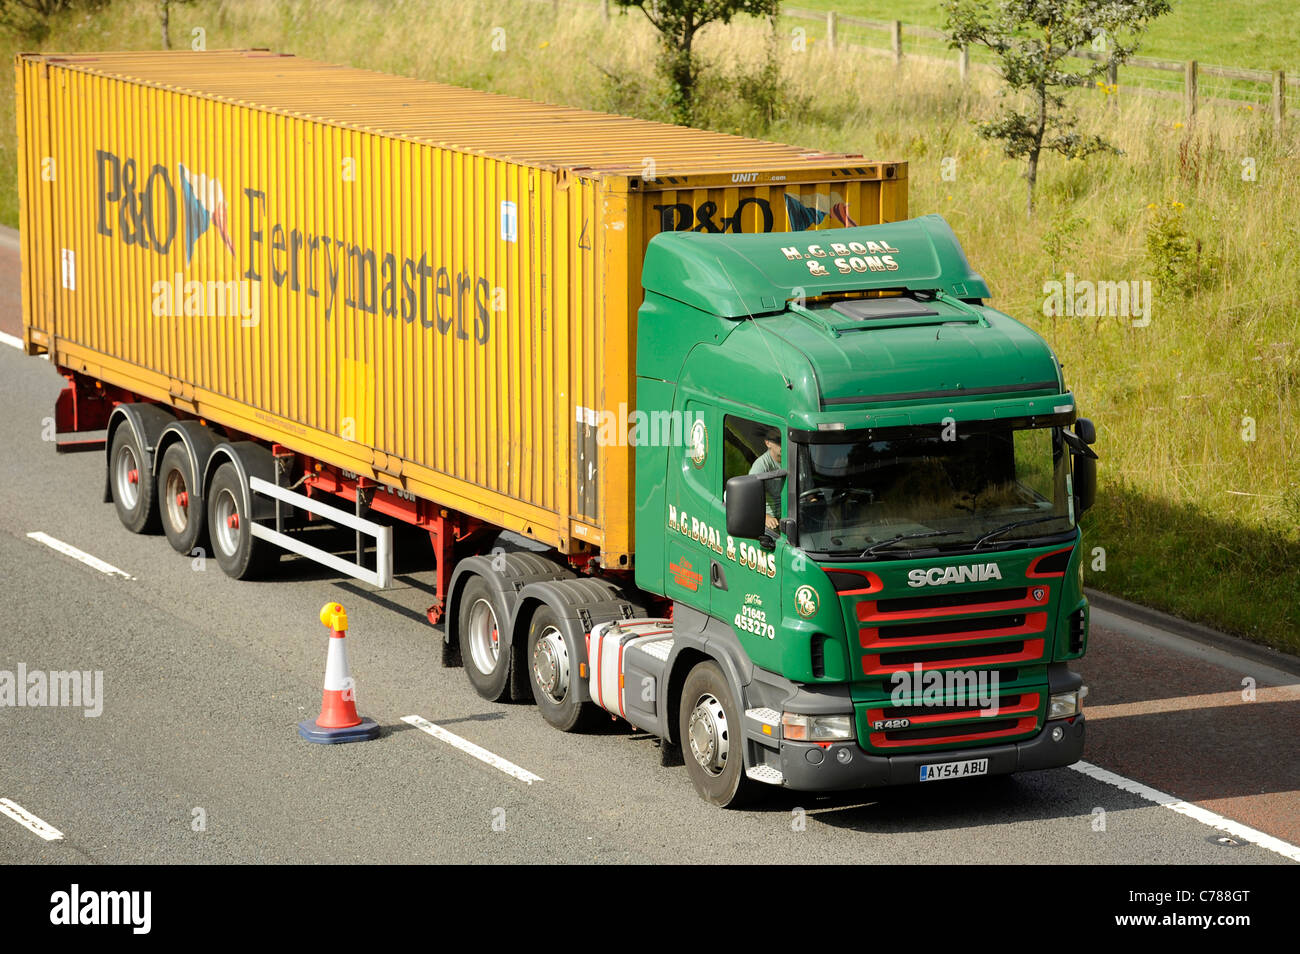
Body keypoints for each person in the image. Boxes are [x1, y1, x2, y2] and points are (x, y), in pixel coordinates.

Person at [748, 426, 784, 532]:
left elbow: (808, 494)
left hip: (792, 517)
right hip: (770, 525)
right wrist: (765, 517)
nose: (783, 445)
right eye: (778, 441)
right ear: (768, 443)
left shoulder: (797, 459)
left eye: (785, 441)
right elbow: (748, 499)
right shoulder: (761, 466)